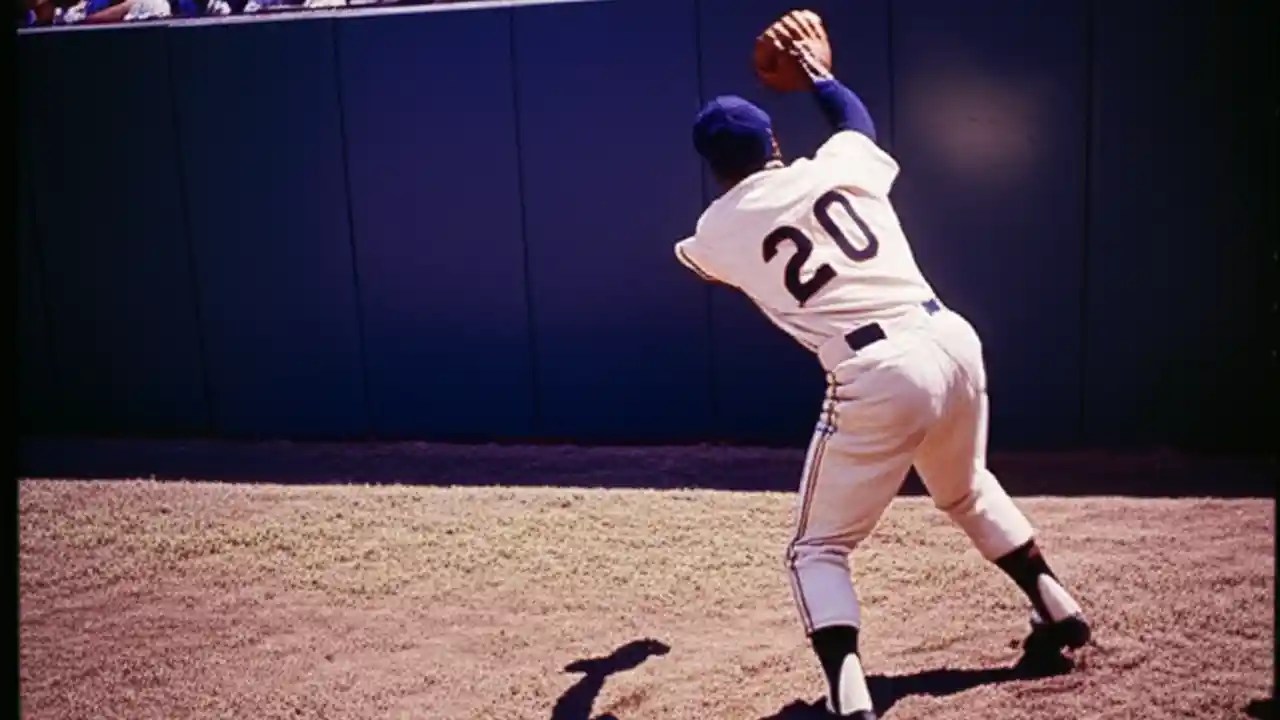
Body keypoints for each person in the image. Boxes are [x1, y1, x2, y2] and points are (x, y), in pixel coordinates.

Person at [674, 17, 1092, 719]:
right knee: (965, 491)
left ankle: (849, 698)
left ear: (711, 167)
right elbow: (854, 120)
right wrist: (817, 72)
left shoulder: (716, 230)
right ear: (773, 142)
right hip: (950, 339)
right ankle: (1056, 604)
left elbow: (703, 262)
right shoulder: (836, 168)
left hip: (876, 370)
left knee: (817, 549)